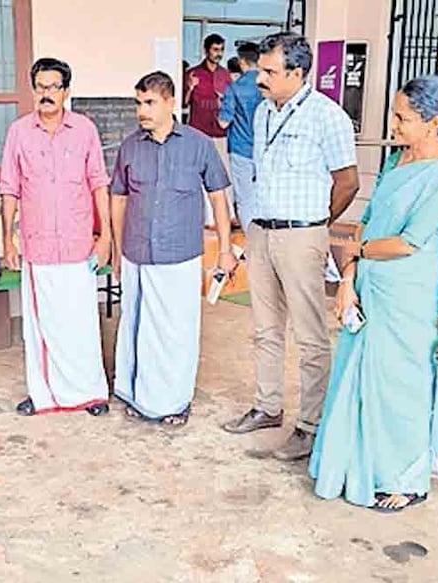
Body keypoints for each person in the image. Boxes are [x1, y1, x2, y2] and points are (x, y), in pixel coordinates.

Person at [310, 76, 438, 512]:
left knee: (400, 384)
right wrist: (348, 277)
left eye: (402, 118)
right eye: (394, 114)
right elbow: (367, 219)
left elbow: (409, 241)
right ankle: (351, 466)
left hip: (408, 295)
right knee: (355, 372)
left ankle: (404, 479)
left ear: (433, 122)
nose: (394, 125)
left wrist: (357, 251)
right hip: (368, 281)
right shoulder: (395, 161)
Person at [221, 33, 360, 463]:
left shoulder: (327, 117)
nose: (260, 78)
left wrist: (317, 224)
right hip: (261, 232)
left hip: (303, 236)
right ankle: (267, 406)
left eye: (269, 71)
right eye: (260, 69)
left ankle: (310, 425)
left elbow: (348, 181)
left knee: (311, 335)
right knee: (265, 328)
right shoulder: (263, 112)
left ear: (297, 74)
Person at [110, 71, 236, 427]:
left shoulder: (197, 144)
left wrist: (226, 249)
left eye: (149, 103)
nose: (141, 111)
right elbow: (117, 199)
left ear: (169, 102)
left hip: (180, 255)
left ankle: (176, 401)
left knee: (176, 331)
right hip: (137, 253)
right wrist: (118, 250)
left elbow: (218, 197)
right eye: (138, 103)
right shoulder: (130, 147)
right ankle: (138, 396)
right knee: (137, 326)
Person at [0, 57, 112, 417]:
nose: (47, 94)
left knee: (81, 321)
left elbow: (98, 183)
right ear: (33, 90)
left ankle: (91, 393)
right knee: (41, 325)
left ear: (66, 91)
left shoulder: (85, 130)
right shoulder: (18, 131)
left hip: (79, 242)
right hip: (38, 244)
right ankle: (44, 395)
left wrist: (105, 236)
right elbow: (9, 188)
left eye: (54, 87)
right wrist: (7, 239)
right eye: (41, 87)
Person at [185, 34, 234, 226]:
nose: (218, 54)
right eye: (215, 50)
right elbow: (183, 102)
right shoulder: (193, 73)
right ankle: (206, 218)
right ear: (206, 50)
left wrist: (223, 100)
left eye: (221, 50)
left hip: (220, 131)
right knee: (199, 174)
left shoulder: (225, 75)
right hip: (198, 130)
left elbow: (231, 103)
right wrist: (190, 88)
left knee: (222, 173)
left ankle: (226, 216)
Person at [218, 42, 264, 226]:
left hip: (240, 149)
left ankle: (250, 241)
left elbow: (223, 123)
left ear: (242, 62)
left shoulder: (234, 88)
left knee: (245, 199)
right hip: (265, 150)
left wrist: (221, 104)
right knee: (263, 197)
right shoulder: (267, 87)